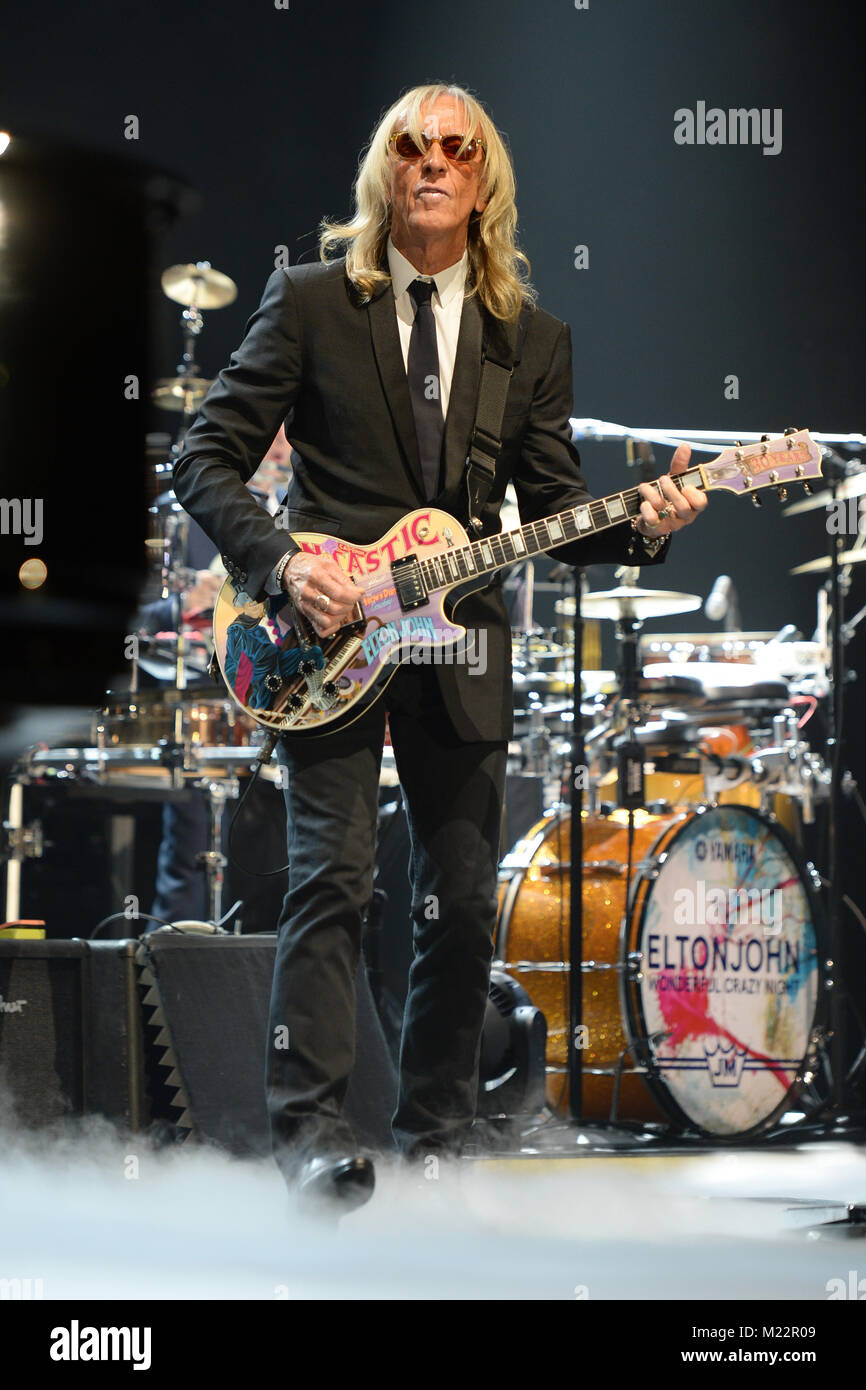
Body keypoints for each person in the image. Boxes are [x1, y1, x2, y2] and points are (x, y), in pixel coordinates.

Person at [172, 82, 707, 1213]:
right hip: (325, 638)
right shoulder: (313, 300)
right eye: (412, 146)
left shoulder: (531, 336)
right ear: (387, 169)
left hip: (458, 647)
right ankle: (312, 1136)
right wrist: (283, 567)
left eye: (456, 149)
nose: (433, 162)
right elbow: (202, 458)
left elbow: (558, 511)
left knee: (460, 899)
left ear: (482, 179)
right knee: (333, 876)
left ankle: (437, 1135)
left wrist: (642, 527)